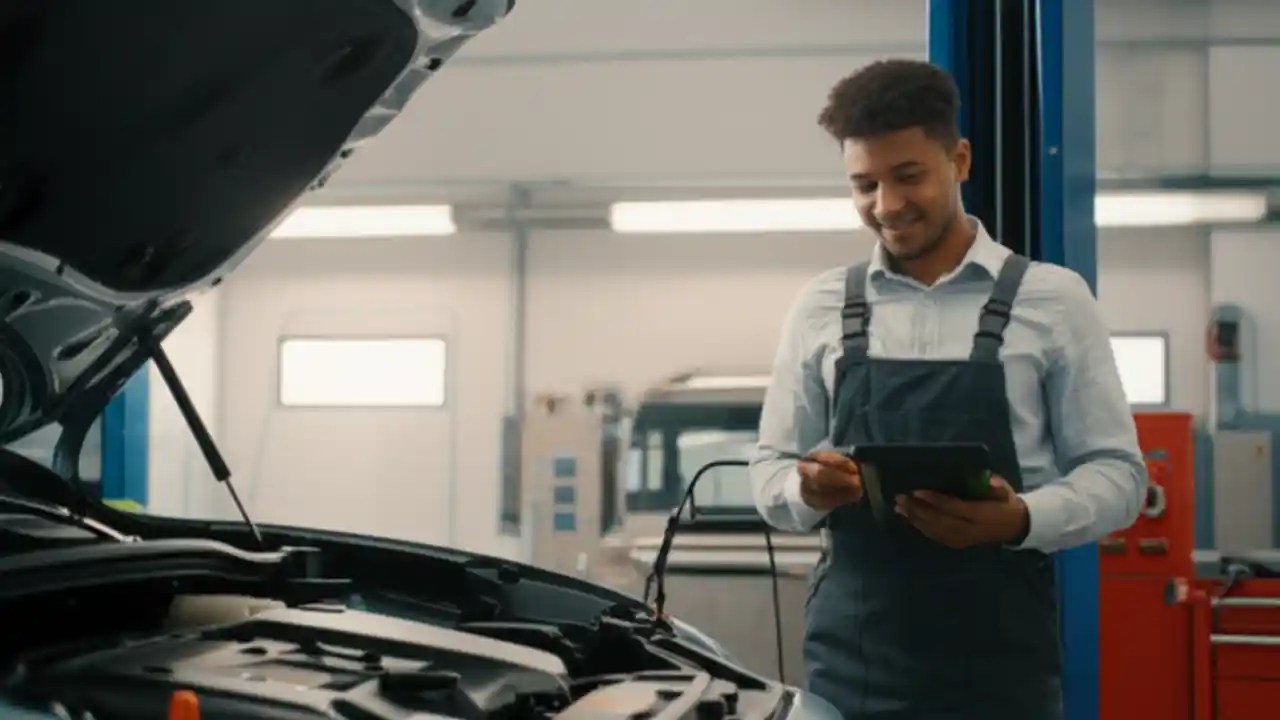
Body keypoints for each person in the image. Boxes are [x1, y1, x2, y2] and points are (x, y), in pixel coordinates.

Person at [748, 59, 1148, 719]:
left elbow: (1119, 474)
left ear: (959, 160)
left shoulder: (1051, 299)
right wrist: (803, 488)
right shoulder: (820, 306)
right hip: (852, 668)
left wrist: (1020, 518)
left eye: (908, 177)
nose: (888, 205)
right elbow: (769, 470)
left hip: (1001, 673)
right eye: (864, 184)